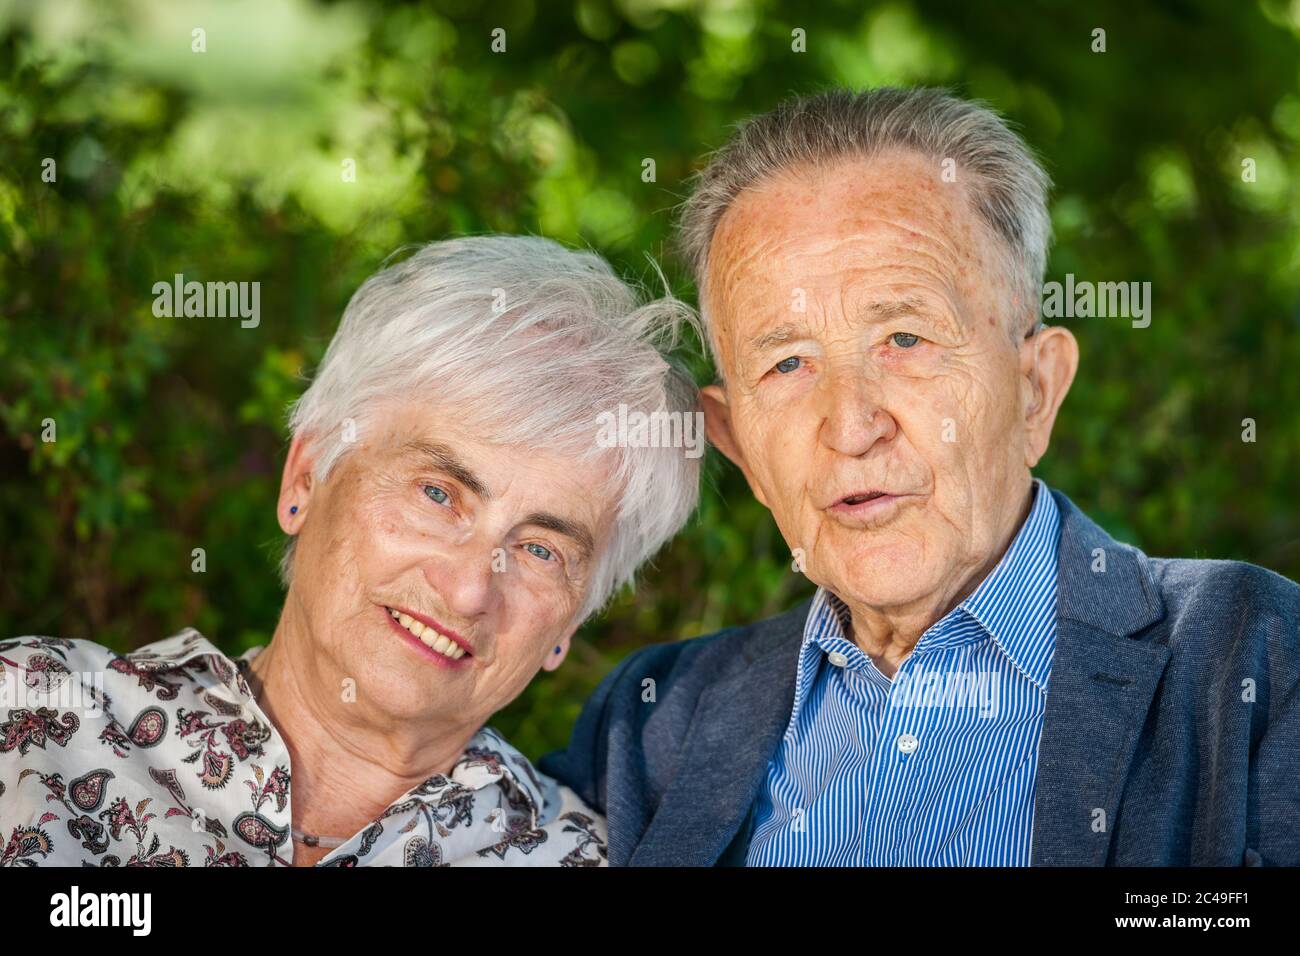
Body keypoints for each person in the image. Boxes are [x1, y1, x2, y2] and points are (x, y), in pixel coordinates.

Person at [539, 88, 1300, 866]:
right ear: (738, 445)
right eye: (788, 363)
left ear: (1035, 391)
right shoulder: (652, 724)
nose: (851, 426)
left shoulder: (1254, 658)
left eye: (904, 338)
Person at [0, 235, 701, 867]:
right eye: (437, 494)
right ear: (305, 477)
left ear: (571, 623)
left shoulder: (583, 861)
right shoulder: (34, 723)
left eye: (542, 551)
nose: (467, 590)